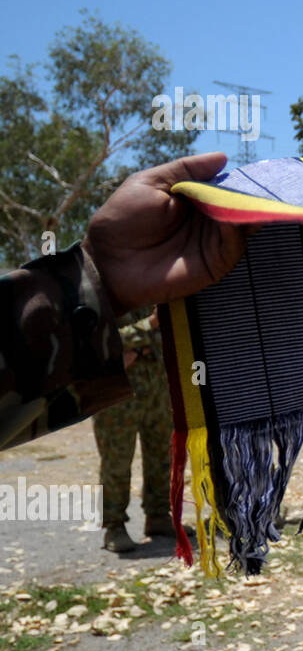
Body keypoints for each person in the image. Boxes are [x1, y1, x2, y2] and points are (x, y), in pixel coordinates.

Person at [0, 153, 247, 453]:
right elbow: (109, 337)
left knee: (161, 476)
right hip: (118, 399)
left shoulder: (163, 279)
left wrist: (103, 273)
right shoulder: (121, 290)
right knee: (115, 481)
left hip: (159, 392)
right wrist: (144, 325)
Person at [93, 308, 173, 552]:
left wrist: (136, 345)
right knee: (116, 461)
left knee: (162, 455)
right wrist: (148, 328)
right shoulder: (100, 292)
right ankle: (114, 526)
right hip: (117, 395)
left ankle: (159, 516)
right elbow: (99, 342)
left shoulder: (158, 289)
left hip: (158, 388)